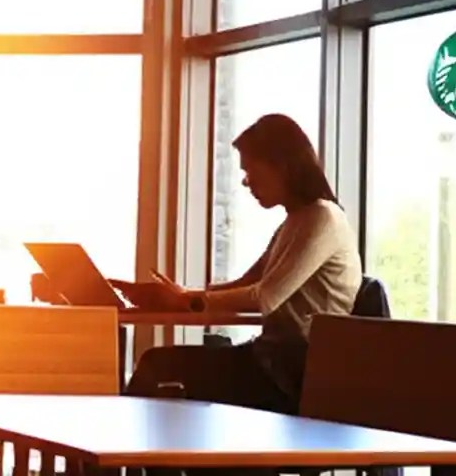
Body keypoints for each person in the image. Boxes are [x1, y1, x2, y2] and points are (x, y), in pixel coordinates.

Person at [119, 113, 362, 414]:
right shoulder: (297, 221)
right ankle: (151, 460)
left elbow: (264, 297)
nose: (247, 182)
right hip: (273, 362)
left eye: (251, 171)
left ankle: (125, 461)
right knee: (164, 367)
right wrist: (184, 296)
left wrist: (190, 300)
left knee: (159, 365)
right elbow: (247, 284)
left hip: (290, 374)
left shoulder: (322, 219)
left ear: (281, 166)